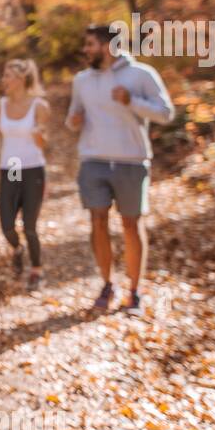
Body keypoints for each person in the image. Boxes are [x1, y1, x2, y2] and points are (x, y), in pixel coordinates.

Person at [66, 22, 174, 315]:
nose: (86, 50)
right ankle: (106, 283)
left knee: (130, 224)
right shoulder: (82, 81)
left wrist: (132, 101)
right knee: (97, 221)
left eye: (90, 44)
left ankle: (134, 291)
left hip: (131, 160)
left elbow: (166, 113)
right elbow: (73, 115)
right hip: (93, 160)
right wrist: (73, 121)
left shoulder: (141, 74)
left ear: (108, 45)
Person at [0, 58, 49, 291]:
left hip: (33, 167)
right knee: (7, 223)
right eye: (4, 76)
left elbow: (45, 141)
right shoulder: (1, 105)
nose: (3, 80)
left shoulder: (39, 106)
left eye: (8, 75)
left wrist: (38, 135)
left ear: (21, 79)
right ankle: (17, 248)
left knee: (29, 225)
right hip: (11, 167)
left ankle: (36, 270)